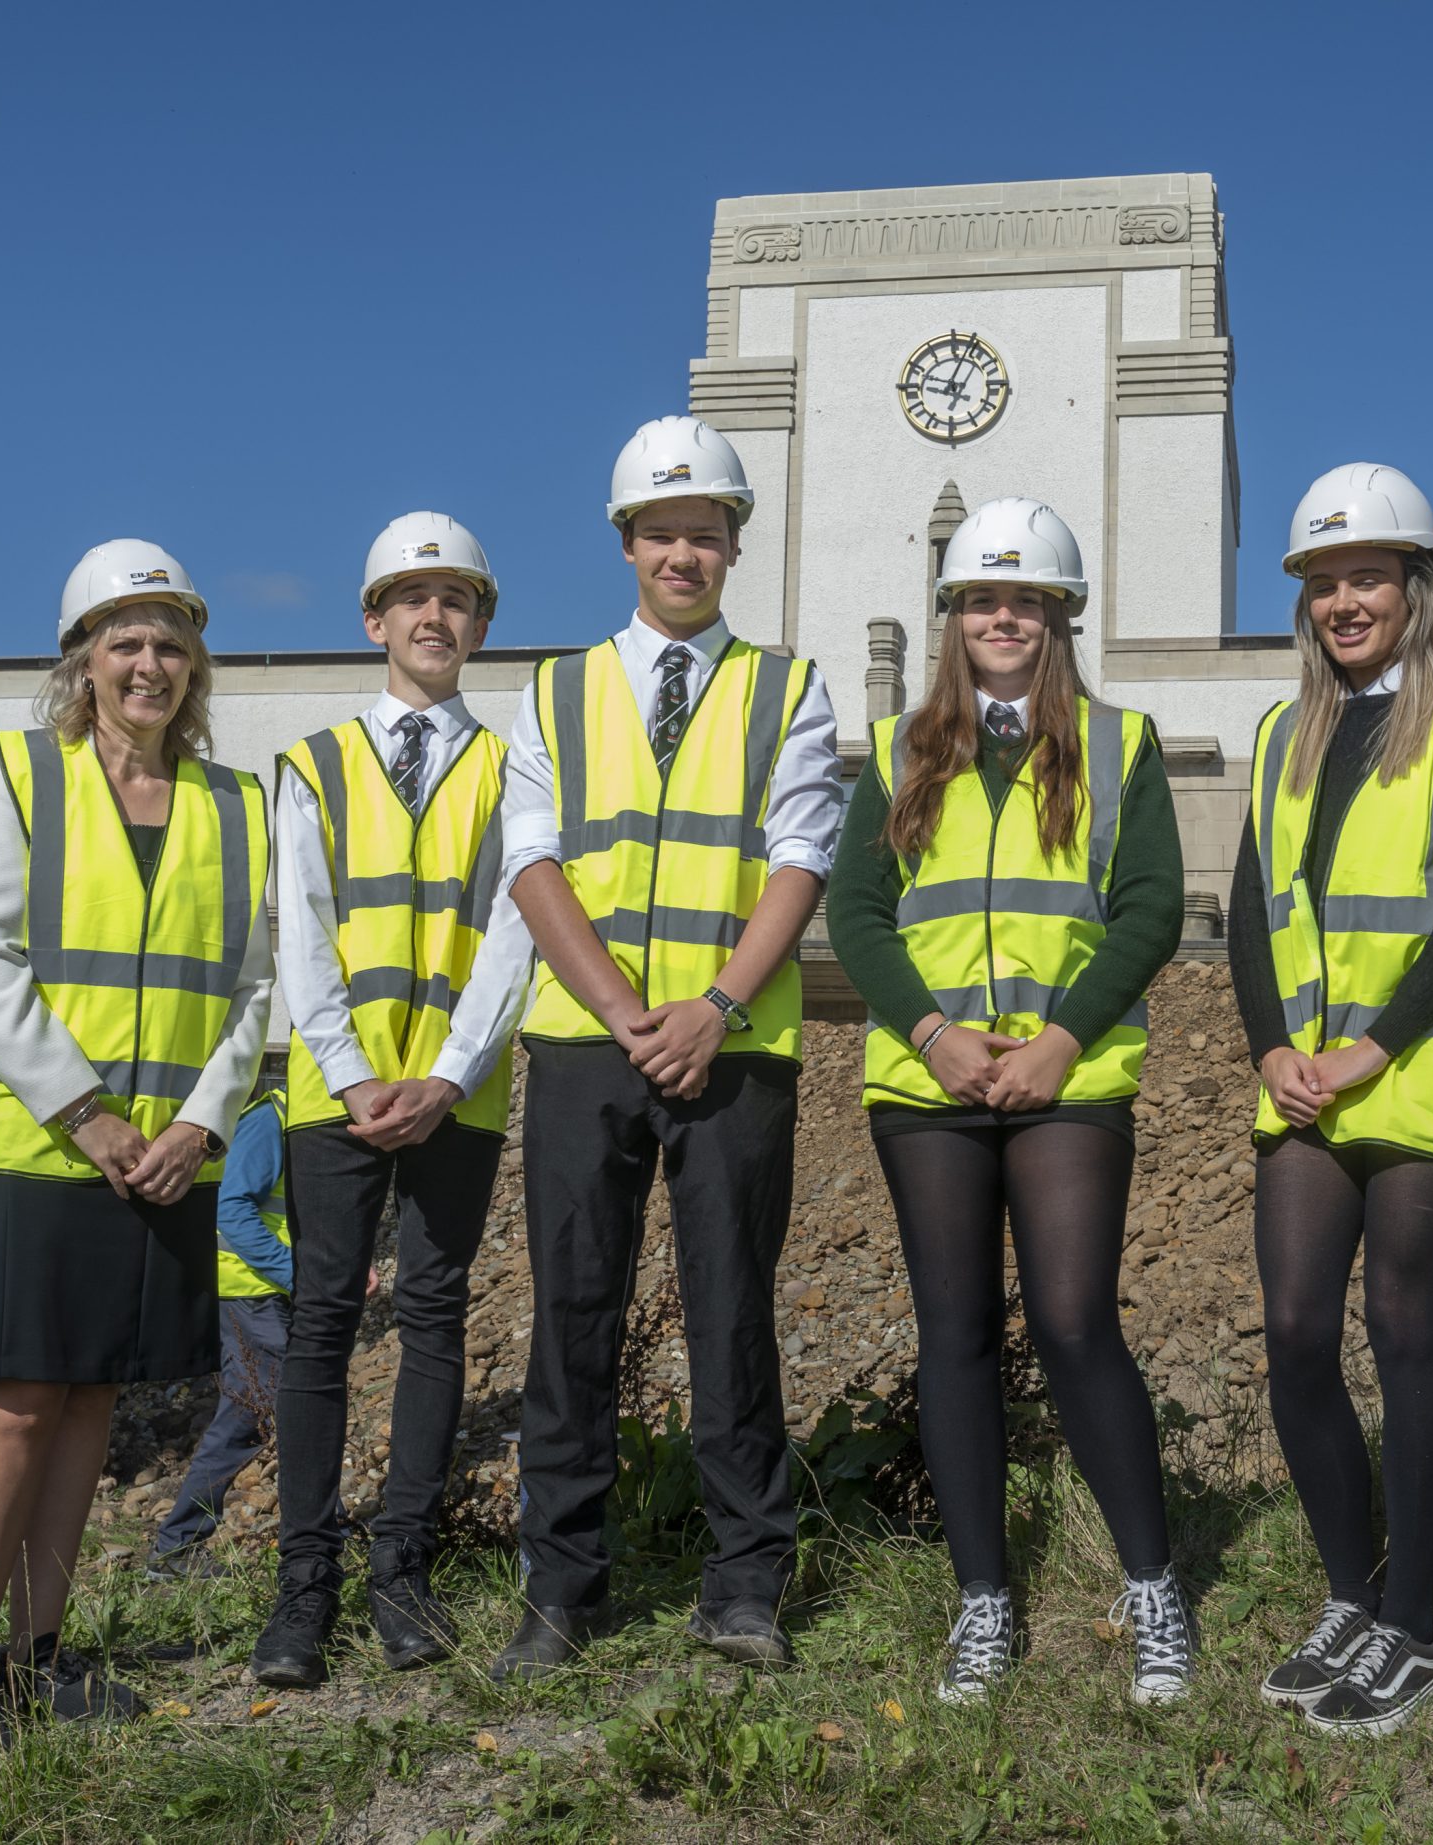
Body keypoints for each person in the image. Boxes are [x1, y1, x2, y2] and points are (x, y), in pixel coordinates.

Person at [489, 416, 843, 1682]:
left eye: (703, 531)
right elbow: (530, 861)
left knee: (732, 1312)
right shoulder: (554, 689)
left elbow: (801, 856)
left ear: (733, 545)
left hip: (731, 1047)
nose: (681, 553)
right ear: (625, 543)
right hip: (589, 1046)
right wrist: (623, 1011)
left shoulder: (789, 689)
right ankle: (560, 1590)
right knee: (571, 1314)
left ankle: (744, 1586)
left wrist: (716, 1008)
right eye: (659, 531)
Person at [826, 497, 1192, 1706]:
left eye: (1025, 601)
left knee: (1076, 1321)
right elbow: (857, 913)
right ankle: (981, 1600)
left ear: (1058, 617)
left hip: (1064, 1076)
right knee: (956, 1334)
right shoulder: (898, 749)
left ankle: (1152, 1589)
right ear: (951, 616)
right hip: (926, 1081)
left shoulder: (1118, 744)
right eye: (982, 599)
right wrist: (932, 1036)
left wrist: (1058, 1042)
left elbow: (1148, 907)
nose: (1002, 619)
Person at [0, 542, 272, 1773]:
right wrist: (89, 1115)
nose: (149, 664)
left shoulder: (237, 805)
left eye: (170, 643)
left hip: (165, 1158)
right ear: (82, 661)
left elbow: (253, 988)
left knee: (91, 1397)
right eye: (124, 641)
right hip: (34, 1148)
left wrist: (200, 1126)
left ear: (195, 665)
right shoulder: (24, 774)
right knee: (17, 1397)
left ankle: (40, 1652)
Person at [1228, 464, 1433, 1735]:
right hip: (1306, 1080)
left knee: (1400, 1327)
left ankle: (1412, 1625)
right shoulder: (1282, 733)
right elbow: (1251, 910)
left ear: (1418, 586)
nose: (1342, 602)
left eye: (1366, 576)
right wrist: (1270, 1049)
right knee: (1295, 1331)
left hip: (1422, 1068)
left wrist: (1370, 1048)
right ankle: (1348, 1598)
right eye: (1322, 583)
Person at [251, 513, 533, 1689]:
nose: (434, 616)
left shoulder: (514, 769)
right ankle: (302, 1588)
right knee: (322, 1321)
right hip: (339, 1092)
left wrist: (449, 1074)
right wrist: (355, 1073)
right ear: (374, 620)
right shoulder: (313, 765)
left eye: (456, 599)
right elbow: (301, 934)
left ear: (479, 625)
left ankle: (400, 1573)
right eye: (413, 598)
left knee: (432, 1318)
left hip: (456, 1094)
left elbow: (517, 930)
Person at [146, 1086, 360, 1577]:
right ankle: (180, 1545)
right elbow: (233, 1210)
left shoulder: (307, 1114)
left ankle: (180, 1545)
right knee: (276, 1408)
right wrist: (299, 1275)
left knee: (263, 1410)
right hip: (253, 1290)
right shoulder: (274, 1117)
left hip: (268, 1291)